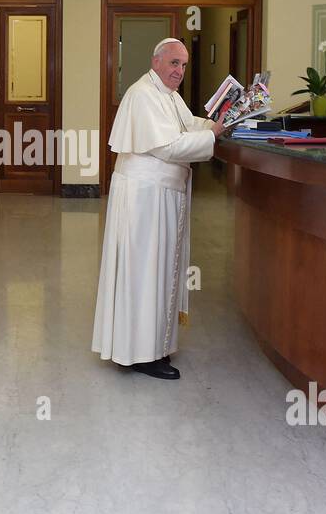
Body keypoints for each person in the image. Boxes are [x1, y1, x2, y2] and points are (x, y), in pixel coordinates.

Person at [91, 38, 227, 380]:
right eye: (173, 63)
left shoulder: (167, 94)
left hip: (159, 195)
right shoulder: (143, 94)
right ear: (156, 62)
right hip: (145, 199)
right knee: (145, 271)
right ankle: (139, 354)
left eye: (183, 65)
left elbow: (185, 124)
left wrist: (213, 125)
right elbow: (168, 147)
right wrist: (214, 136)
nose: (179, 71)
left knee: (157, 270)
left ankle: (152, 348)